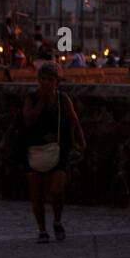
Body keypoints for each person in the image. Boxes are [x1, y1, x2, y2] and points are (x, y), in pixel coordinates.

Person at [21, 63, 86, 243]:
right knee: (36, 194)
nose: (46, 83)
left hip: (57, 148)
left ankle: (57, 220)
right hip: (33, 148)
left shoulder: (63, 99)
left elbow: (74, 121)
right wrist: (42, 101)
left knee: (57, 190)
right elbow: (28, 120)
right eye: (43, 79)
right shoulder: (31, 98)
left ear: (57, 82)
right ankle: (42, 230)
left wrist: (81, 142)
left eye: (50, 80)